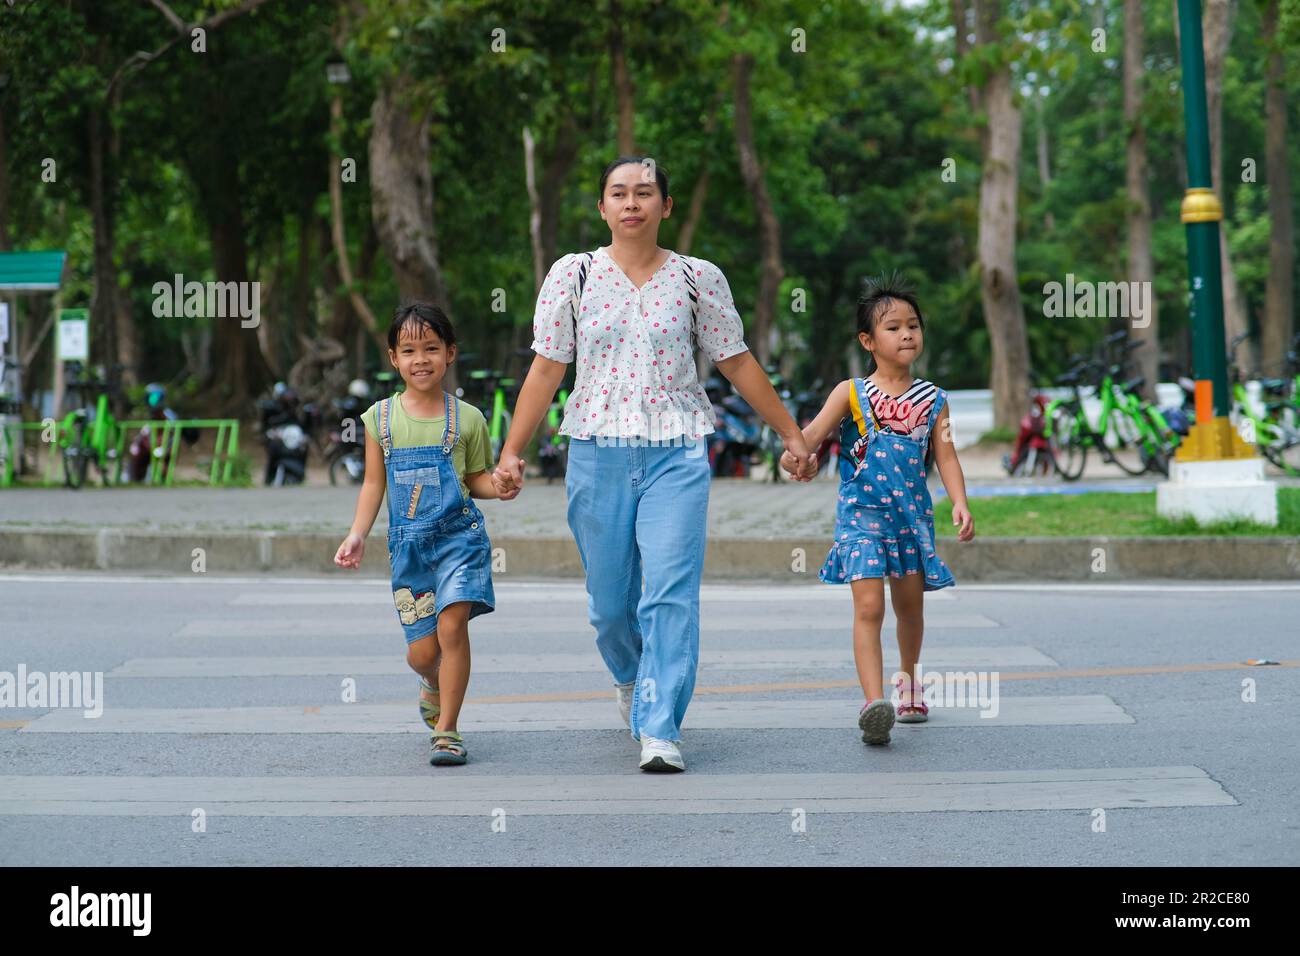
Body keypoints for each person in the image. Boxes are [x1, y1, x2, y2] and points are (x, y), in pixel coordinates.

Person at [493, 155, 817, 772]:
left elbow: (737, 360)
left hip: (677, 451)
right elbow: (545, 368)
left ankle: (661, 724)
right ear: (603, 208)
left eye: (645, 193)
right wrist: (513, 452)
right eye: (619, 193)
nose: (632, 202)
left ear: (666, 207)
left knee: (669, 594)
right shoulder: (575, 276)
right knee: (610, 605)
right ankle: (629, 674)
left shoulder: (698, 278)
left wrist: (791, 435)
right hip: (596, 452)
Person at [785, 274, 974, 746]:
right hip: (861, 520)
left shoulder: (935, 400)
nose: (907, 334)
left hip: (911, 522)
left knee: (910, 609)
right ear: (868, 341)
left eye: (913, 325)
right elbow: (811, 438)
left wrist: (961, 503)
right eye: (893, 327)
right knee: (869, 608)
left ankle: (909, 684)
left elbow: (946, 455)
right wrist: (794, 455)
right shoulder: (850, 393)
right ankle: (874, 704)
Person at [333, 303, 499, 766]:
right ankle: (430, 681)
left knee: (452, 627)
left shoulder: (467, 418)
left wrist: (500, 486)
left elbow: (478, 479)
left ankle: (448, 731)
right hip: (409, 549)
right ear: (393, 358)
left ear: (450, 353)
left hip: (459, 541)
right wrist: (357, 534)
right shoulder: (378, 420)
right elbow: (373, 483)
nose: (420, 359)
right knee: (422, 653)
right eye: (409, 350)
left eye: (431, 348)